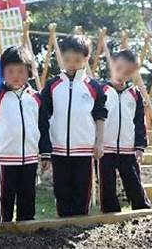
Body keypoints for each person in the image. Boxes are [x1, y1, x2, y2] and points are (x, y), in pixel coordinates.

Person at [0, 46, 51, 223]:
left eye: (21, 71)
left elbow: (43, 127)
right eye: (10, 71)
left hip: (30, 159)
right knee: (5, 197)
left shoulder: (36, 98)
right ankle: (3, 229)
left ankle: (26, 228)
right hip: (5, 159)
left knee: (28, 194)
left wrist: (46, 153)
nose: (16, 75)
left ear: (29, 73)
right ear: (3, 73)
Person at [40, 34, 107, 217]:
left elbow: (100, 116)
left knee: (82, 191)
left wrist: (99, 142)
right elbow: (43, 118)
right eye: (67, 59)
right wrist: (44, 148)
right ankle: (63, 226)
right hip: (59, 150)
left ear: (86, 59)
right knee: (61, 190)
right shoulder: (52, 85)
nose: (71, 63)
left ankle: (80, 226)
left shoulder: (94, 87)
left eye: (77, 60)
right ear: (61, 57)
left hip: (84, 150)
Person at [99, 50, 152, 212]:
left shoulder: (134, 94)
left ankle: (141, 208)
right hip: (105, 148)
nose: (122, 74)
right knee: (107, 182)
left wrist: (140, 146)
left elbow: (139, 122)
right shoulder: (100, 91)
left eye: (128, 72)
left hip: (128, 148)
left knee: (133, 180)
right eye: (119, 68)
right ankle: (110, 211)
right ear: (112, 65)